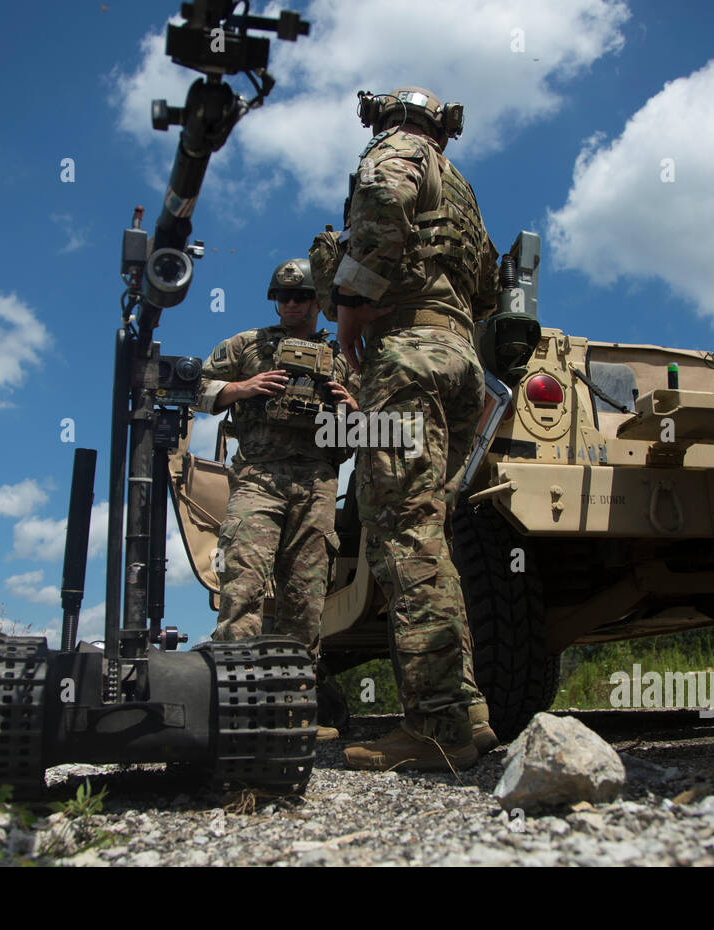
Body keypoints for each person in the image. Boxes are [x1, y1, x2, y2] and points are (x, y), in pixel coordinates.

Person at [323, 87, 500, 771]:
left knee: (402, 534)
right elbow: (486, 284)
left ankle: (438, 727)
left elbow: (383, 204)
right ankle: (467, 715)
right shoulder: (460, 186)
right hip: (459, 360)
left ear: (391, 118)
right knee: (429, 532)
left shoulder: (395, 152)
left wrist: (351, 311)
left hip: (406, 358)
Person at [195, 258, 357, 739]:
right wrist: (240, 388)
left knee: (304, 600)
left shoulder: (344, 356)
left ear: (318, 302)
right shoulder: (245, 345)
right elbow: (191, 387)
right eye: (283, 297)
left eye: (302, 296)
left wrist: (352, 407)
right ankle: (232, 707)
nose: (291, 305)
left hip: (317, 483)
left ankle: (291, 713)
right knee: (242, 580)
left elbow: (372, 426)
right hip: (258, 478)